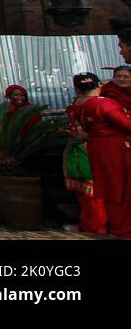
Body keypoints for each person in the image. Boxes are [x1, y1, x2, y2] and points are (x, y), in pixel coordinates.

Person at [71, 69, 131, 238]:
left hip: (96, 149)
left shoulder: (79, 104)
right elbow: (127, 125)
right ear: (99, 85)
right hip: (112, 152)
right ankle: (115, 228)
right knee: (117, 190)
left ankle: (101, 226)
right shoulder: (102, 103)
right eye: (119, 77)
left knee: (105, 190)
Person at [64, 72, 107, 235]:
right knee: (85, 191)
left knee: (93, 193)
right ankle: (89, 224)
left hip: (94, 149)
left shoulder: (101, 104)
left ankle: (97, 227)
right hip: (81, 149)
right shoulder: (90, 103)